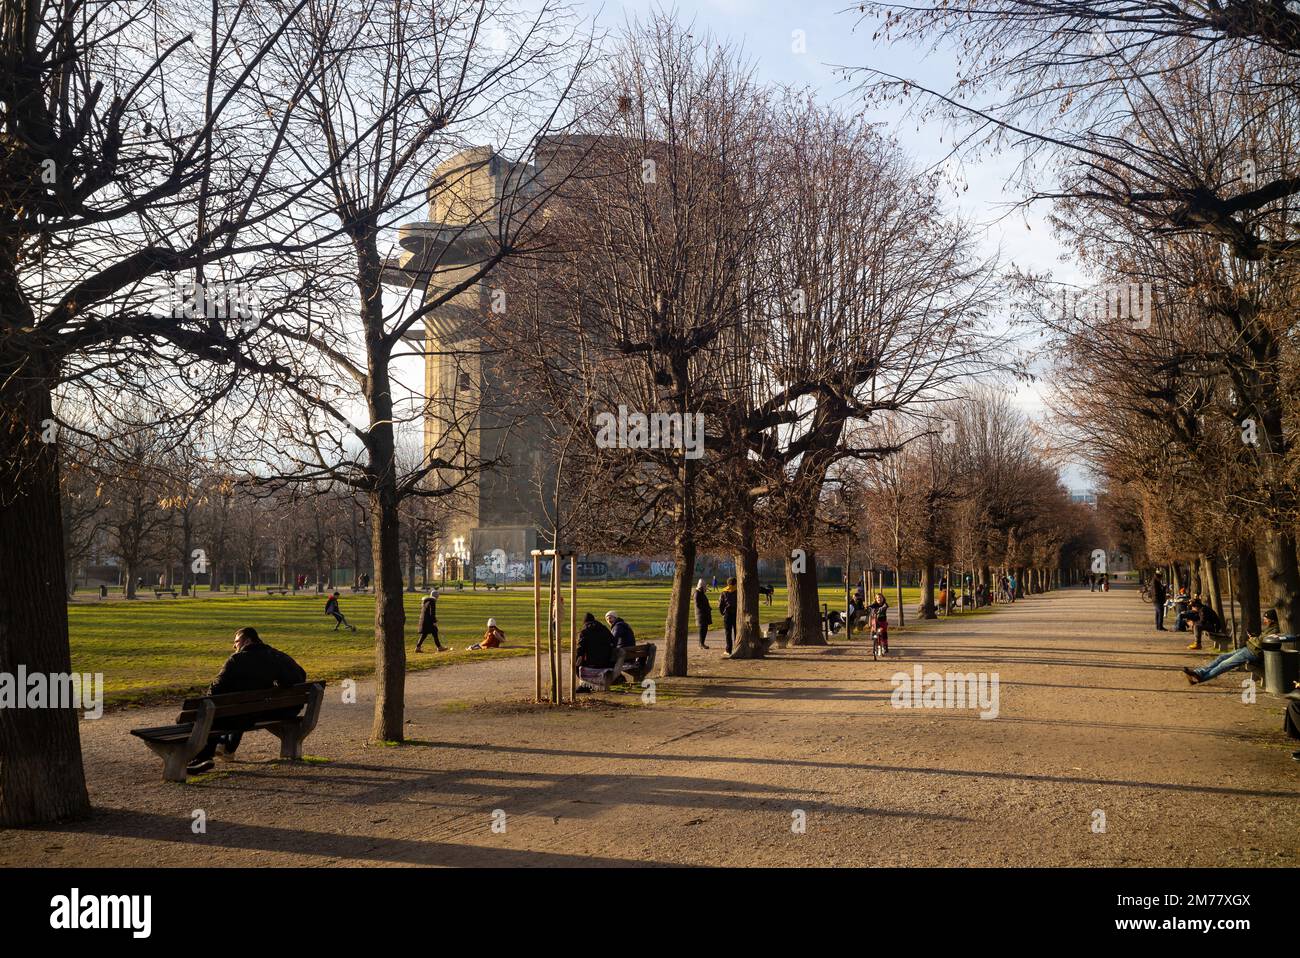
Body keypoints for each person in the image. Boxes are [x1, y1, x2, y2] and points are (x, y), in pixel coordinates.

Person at [186, 627, 307, 775]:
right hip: (277, 711)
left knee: (211, 714)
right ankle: (226, 747)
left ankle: (203, 757)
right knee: (241, 709)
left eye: (237, 641)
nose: (234, 646)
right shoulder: (278, 656)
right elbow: (300, 676)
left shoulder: (236, 660)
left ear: (248, 641)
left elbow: (214, 691)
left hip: (247, 714)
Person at [1183, 609, 1276, 685]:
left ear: (1271, 620)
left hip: (1253, 653)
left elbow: (1260, 643)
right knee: (1221, 657)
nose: (1264, 621)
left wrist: (1252, 639)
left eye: (1266, 619)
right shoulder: (1270, 629)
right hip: (1249, 649)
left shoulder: (1274, 630)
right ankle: (1199, 672)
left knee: (1224, 664)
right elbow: (1260, 640)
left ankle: (1200, 678)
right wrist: (1254, 638)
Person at [575, 612, 617, 691]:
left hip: (592, 662)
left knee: (575, 661)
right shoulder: (604, 628)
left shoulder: (584, 631)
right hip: (607, 661)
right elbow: (613, 642)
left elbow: (580, 648)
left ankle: (585, 685)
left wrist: (577, 657)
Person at [415, 588, 448, 653]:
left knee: (425, 634)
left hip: (424, 620)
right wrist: (434, 621)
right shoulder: (432, 601)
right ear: (436, 596)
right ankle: (439, 647)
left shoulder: (426, 601)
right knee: (434, 632)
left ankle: (418, 647)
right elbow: (432, 613)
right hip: (428, 621)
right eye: (438, 596)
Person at [718, 577, 738, 655]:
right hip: (736, 614)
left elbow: (720, 605)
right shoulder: (738, 591)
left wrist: (722, 613)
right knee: (737, 632)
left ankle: (728, 649)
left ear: (728, 583)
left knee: (728, 632)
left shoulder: (724, 592)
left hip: (727, 614)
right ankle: (737, 647)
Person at [693, 579, 712, 649]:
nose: (706, 590)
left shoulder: (701, 593)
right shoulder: (697, 593)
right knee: (702, 630)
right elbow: (698, 605)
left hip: (704, 614)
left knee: (704, 629)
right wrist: (706, 608)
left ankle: (702, 643)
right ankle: (701, 644)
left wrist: (708, 608)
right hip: (701, 615)